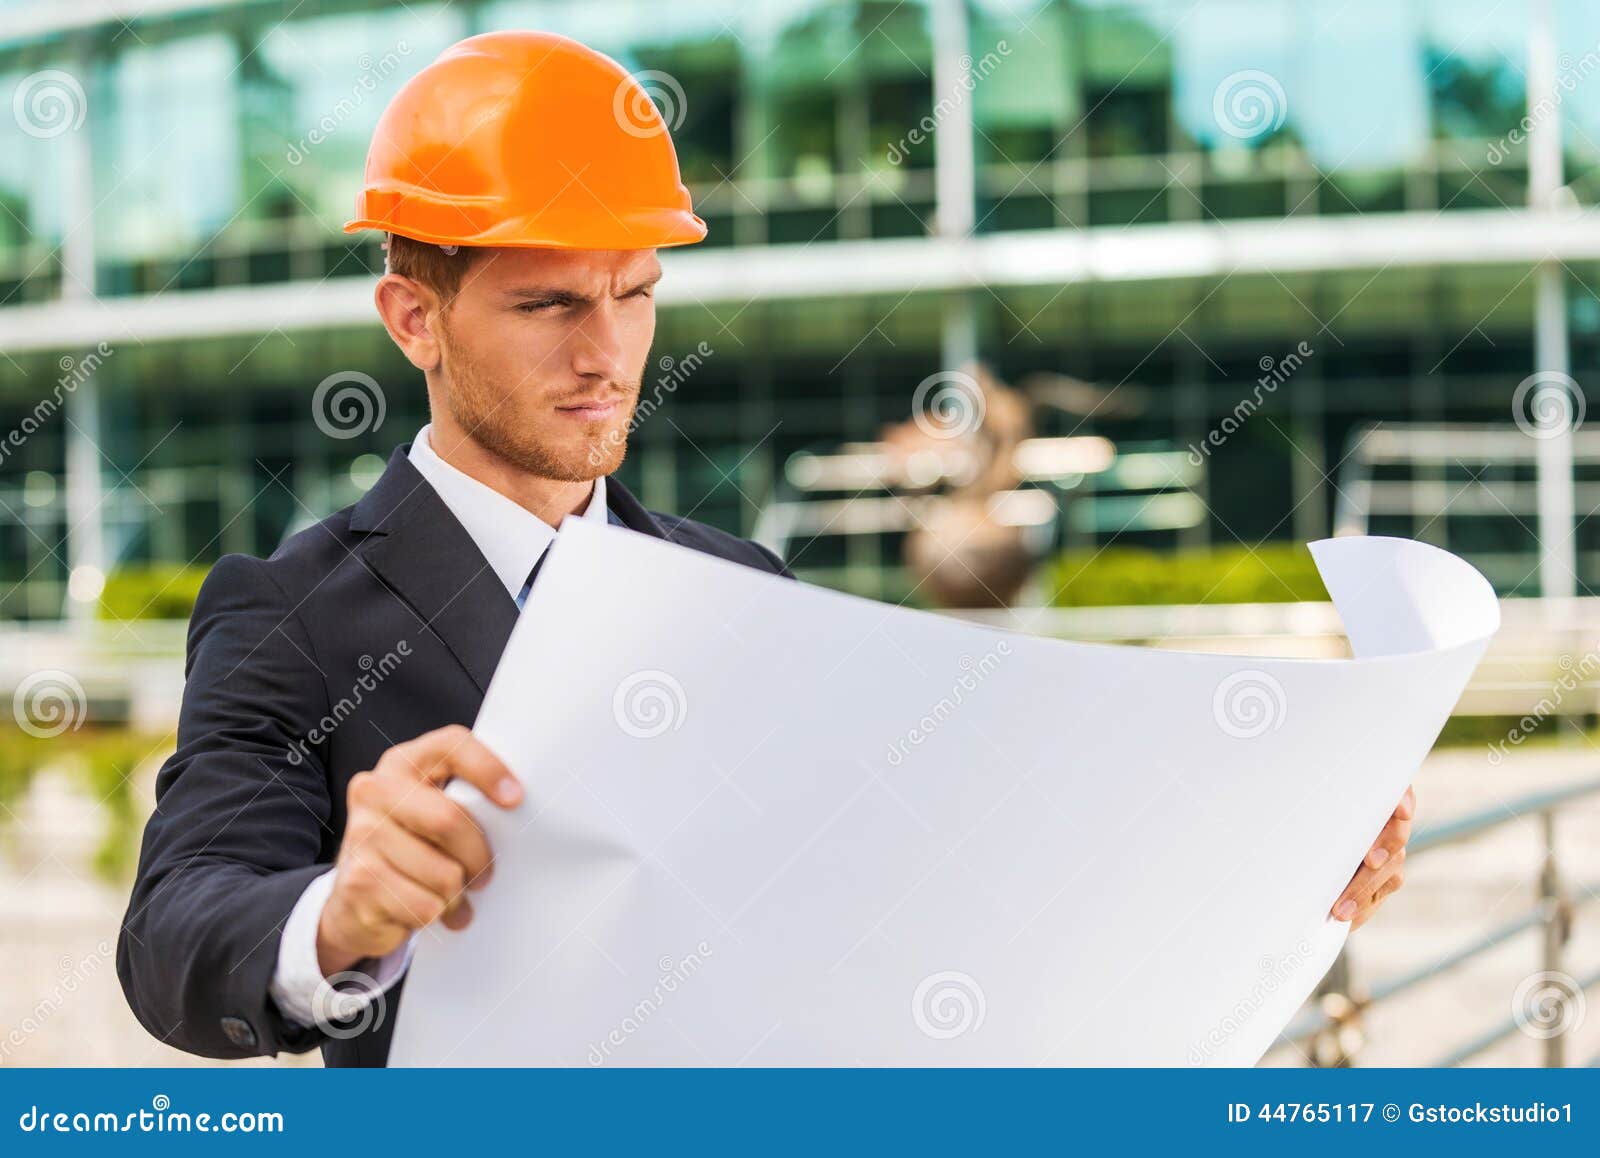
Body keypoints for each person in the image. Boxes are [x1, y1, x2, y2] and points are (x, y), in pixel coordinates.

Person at [116, 30, 1411, 1068]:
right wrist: (340, 912)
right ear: (414, 315)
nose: (606, 355)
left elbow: (944, 870)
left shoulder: (739, 588)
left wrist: (1276, 855)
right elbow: (174, 938)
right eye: (550, 303)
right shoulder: (291, 612)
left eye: (634, 296)